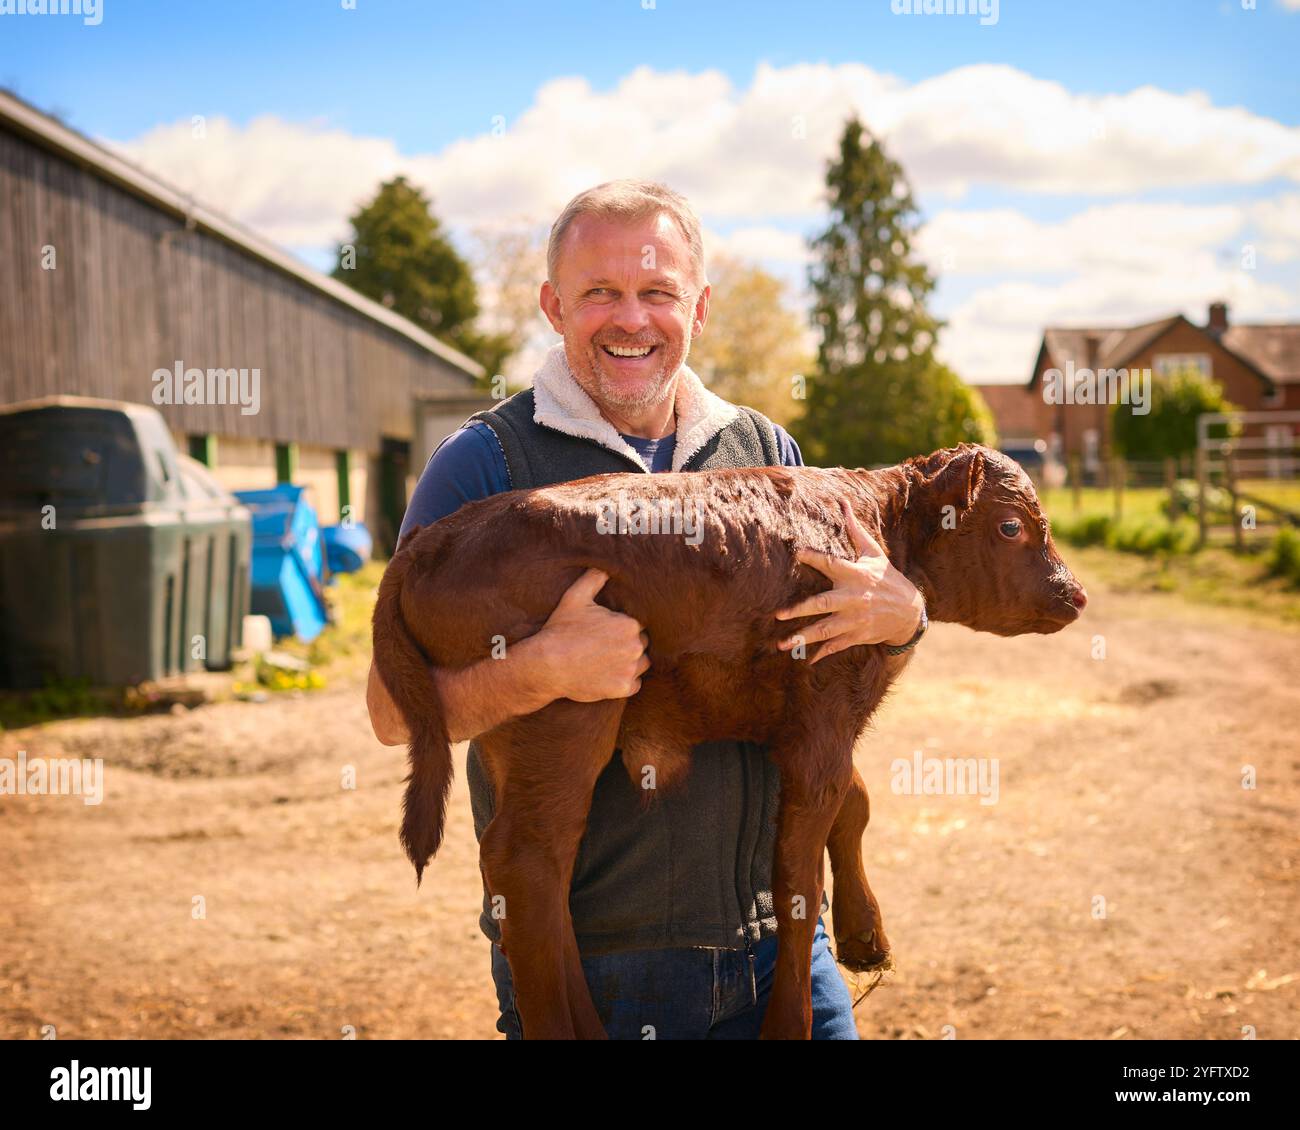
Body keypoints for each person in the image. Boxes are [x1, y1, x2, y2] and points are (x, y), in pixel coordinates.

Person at [366, 179, 925, 1039]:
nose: (632, 319)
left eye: (657, 292)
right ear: (554, 306)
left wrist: (903, 614)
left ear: (697, 307)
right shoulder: (484, 466)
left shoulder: (767, 450)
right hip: (600, 963)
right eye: (600, 293)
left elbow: (826, 654)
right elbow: (389, 714)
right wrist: (540, 670)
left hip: (782, 943)